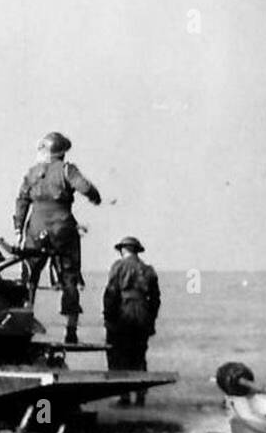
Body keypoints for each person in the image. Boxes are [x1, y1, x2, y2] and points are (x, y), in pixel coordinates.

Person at [14, 131, 103, 344]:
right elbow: (86, 187)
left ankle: (23, 323)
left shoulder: (32, 172)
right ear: (62, 153)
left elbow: (21, 200)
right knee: (70, 277)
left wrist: (18, 229)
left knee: (29, 278)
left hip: (35, 228)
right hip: (62, 228)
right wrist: (95, 198)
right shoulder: (66, 170)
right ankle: (70, 331)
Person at [102, 236, 161, 407]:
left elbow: (111, 294)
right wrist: (151, 320)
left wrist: (108, 317)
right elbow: (156, 300)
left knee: (119, 355)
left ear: (123, 250)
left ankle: (124, 395)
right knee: (139, 354)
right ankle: (141, 394)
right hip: (142, 314)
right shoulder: (148, 270)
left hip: (123, 313)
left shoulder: (118, 267)